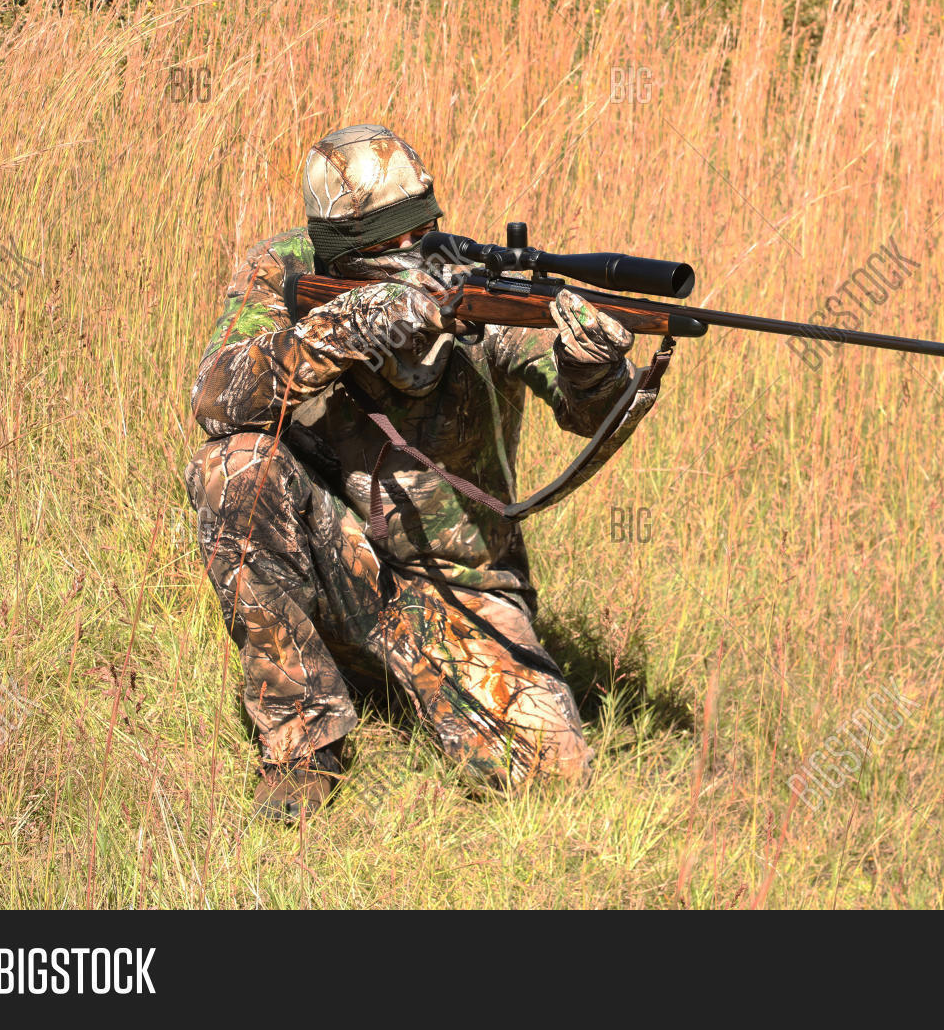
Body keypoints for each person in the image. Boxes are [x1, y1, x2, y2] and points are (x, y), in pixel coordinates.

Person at [185, 124, 658, 819]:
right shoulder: (283, 267)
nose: (412, 254)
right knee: (235, 468)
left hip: (457, 580)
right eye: (387, 246)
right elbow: (216, 396)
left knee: (551, 774)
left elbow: (581, 411)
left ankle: (390, 672)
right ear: (340, 250)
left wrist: (595, 372)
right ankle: (302, 744)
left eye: (423, 233)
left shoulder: (476, 286)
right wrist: (349, 328)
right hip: (336, 552)